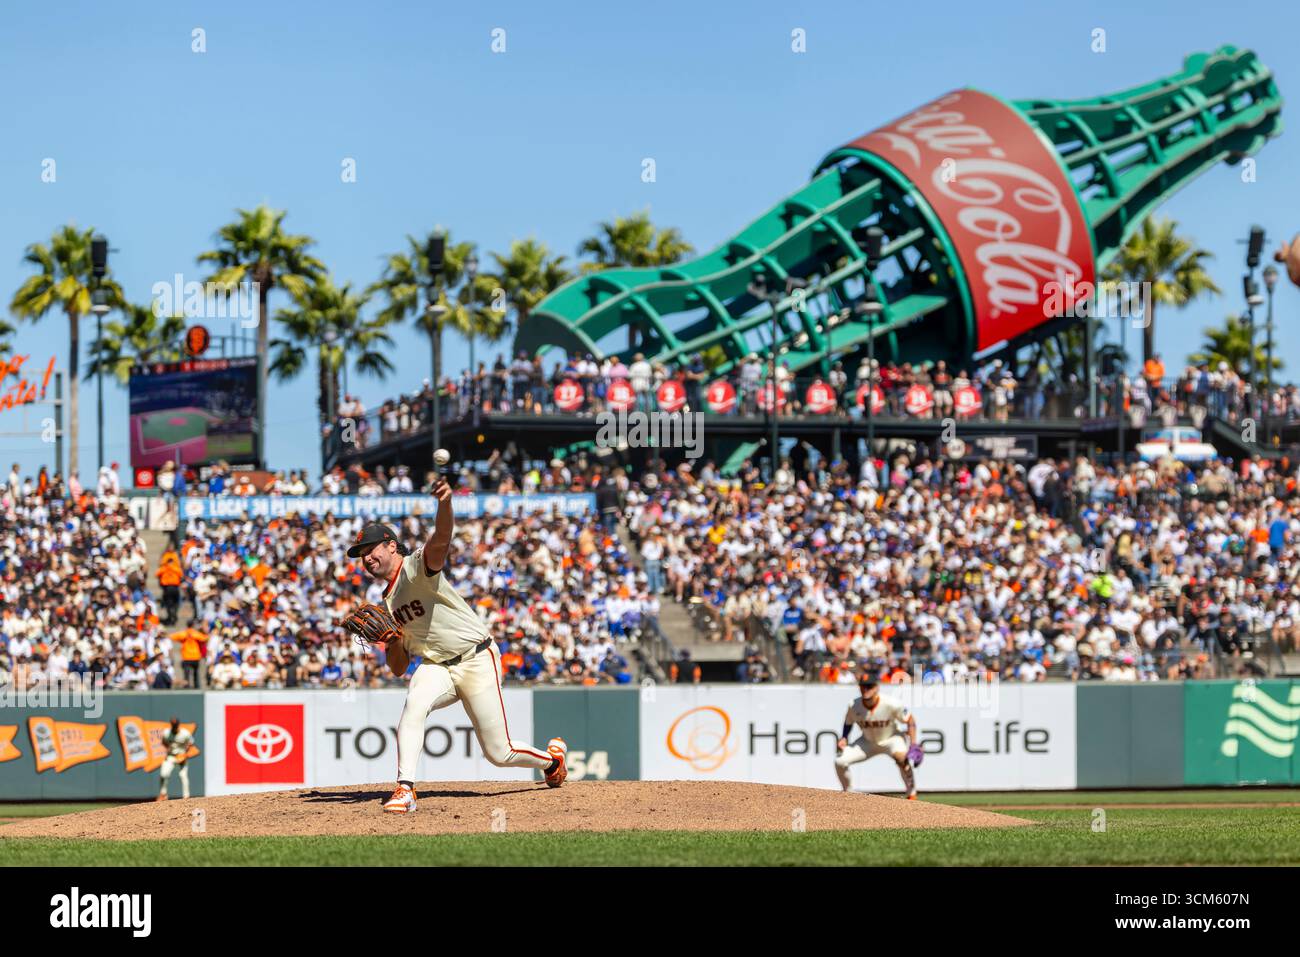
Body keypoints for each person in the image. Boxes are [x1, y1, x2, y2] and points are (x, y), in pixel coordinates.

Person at [347, 478, 568, 815]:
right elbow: (397, 667)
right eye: (361, 554)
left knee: (499, 753)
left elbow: (442, 540)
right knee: (413, 705)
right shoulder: (387, 602)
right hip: (437, 666)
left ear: (392, 546)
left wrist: (445, 504)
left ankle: (552, 762)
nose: (366, 558)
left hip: (476, 658)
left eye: (370, 549)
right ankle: (405, 789)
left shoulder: (415, 568)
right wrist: (392, 642)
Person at [833, 676, 922, 798]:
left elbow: (909, 720)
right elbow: (848, 722)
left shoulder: (891, 703)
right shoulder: (854, 705)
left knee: (902, 759)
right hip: (867, 741)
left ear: (876, 688)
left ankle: (912, 795)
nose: (865, 689)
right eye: (863, 686)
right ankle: (848, 794)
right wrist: (844, 737)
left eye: (869, 686)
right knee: (840, 761)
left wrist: (913, 743)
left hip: (891, 738)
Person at [157, 717, 196, 802]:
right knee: (164, 774)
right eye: (173, 725)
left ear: (178, 725)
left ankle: (186, 797)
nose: (174, 726)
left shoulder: (185, 733)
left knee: (183, 776)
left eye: (175, 725)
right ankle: (163, 794)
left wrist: (185, 754)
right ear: (171, 725)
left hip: (181, 756)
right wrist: (167, 748)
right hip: (171, 756)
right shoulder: (167, 733)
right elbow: (163, 742)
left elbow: (190, 743)